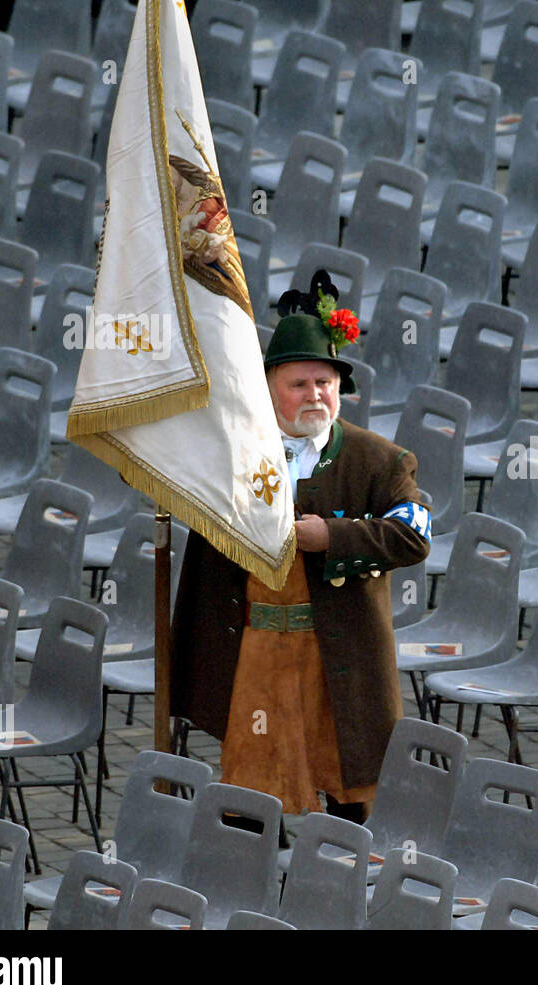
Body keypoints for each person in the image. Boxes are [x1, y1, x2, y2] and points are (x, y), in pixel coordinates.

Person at [171, 274, 431, 823]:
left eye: (325, 382)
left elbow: (414, 536)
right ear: (267, 389)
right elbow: (172, 483)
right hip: (256, 652)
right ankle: (249, 890)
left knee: (345, 787)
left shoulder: (379, 461)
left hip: (337, 653)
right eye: (299, 384)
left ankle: (332, 890)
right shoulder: (233, 452)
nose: (316, 395)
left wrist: (331, 538)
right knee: (250, 786)